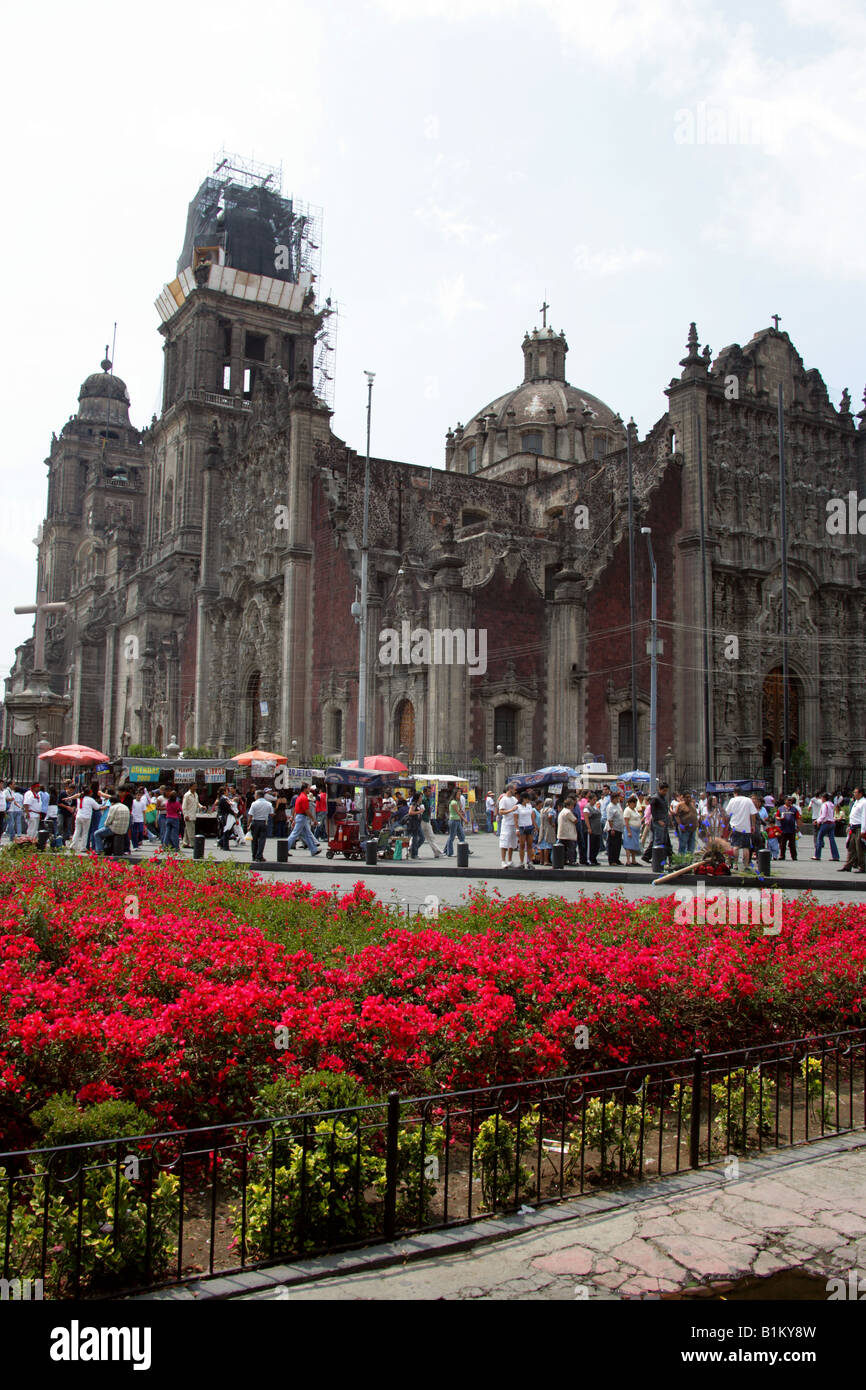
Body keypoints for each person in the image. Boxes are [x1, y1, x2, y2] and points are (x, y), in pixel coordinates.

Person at [285, 782, 322, 855]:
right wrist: (313, 819)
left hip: (300, 817)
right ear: (305, 789)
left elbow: (295, 809)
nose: (310, 790)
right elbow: (307, 810)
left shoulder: (299, 797)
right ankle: (284, 849)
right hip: (302, 817)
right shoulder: (304, 798)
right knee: (295, 834)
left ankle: (313, 850)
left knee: (307, 834)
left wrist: (294, 818)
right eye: (308, 788)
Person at [642, 781, 672, 865]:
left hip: (664, 822)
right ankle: (657, 861)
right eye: (664, 791)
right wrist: (658, 820)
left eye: (666, 791)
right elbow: (653, 811)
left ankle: (649, 856)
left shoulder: (663, 798)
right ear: (660, 789)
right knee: (658, 842)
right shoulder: (655, 798)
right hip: (658, 823)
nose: (665, 792)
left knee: (664, 841)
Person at [840, 788, 866, 873]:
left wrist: (863, 830)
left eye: (855, 792)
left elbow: (864, 817)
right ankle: (848, 865)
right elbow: (853, 815)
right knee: (851, 847)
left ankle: (862, 867)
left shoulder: (864, 802)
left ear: (861, 793)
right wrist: (849, 825)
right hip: (853, 827)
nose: (854, 793)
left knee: (860, 848)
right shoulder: (856, 802)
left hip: (859, 828)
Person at [417, 787, 444, 859]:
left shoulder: (429, 800)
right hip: (422, 820)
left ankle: (437, 852)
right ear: (424, 792)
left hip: (427, 820)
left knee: (431, 837)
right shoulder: (423, 800)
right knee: (418, 837)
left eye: (430, 791)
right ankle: (412, 850)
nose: (430, 793)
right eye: (428, 791)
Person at [247, 788, 272, 863]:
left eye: (255, 795)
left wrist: (248, 825)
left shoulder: (254, 803)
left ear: (257, 795)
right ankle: (259, 855)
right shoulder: (268, 804)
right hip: (264, 822)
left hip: (255, 822)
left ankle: (254, 856)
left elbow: (250, 815)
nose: (254, 796)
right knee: (262, 840)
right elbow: (271, 813)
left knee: (254, 840)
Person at [813, 792, 840, 862]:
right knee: (832, 840)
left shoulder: (824, 805)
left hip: (826, 823)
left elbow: (823, 815)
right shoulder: (831, 804)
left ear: (824, 798)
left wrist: (817, 821)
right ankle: (835, 856)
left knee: (819, 838)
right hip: (832, 823)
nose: (821, 799)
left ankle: (817, 855)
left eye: (822, 797)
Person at [498, 784, 519, 868]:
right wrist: (511, 810)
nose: (515, 791)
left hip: (514, 823)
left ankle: (510, 860)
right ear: (510, 789)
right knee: (504, 842)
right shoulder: (503, 799)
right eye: (514, 789)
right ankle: (503, 861)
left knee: (512, 843)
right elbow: (501, 812)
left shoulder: (514, 799)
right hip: (506, 824)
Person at [444, 788, 469, 857]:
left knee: (462, 835)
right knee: (452, 837)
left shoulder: (457, 802)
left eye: (460, 793)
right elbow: (457, 812)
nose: (460, 795)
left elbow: (460, 810)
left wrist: (462, 810)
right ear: (455, 794)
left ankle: (463, 850)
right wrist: (464, 819)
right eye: (458, 793)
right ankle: (449, 852)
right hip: (453, 820)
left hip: (457, 820)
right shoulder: (453, 802)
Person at [516, 792, 537, 869]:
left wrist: (534, 825)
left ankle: (530, 862)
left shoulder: (529, 806)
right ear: (524, 799)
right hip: (522, 827)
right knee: (521, 845)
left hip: (529, 826)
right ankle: (521, 862)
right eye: (528, 799)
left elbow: (532, 816)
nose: (529, 800)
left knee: (529, 845)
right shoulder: (518, 807)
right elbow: (516, 818)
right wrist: (517, 828)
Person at [776, 796, 800, 862]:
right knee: (782, 843)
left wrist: (798, 827)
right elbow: (777, 816)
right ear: (785, 801)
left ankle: (794, 856)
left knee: (792, 844)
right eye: (788, 800)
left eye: (790, 800)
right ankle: (782, 856)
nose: (789, 801)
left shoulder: (794, 809)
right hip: (783, 829)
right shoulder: (780, 808)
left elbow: (797, 818)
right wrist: (779, 818)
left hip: (791, 829)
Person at [556, 796, 578, 865]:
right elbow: (575, 820)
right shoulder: (568, 812)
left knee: (563, 849)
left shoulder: (562, 811)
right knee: (571, 848)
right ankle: (571, 861)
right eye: (572, 805)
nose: (573, 807)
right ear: (569, 805)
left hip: (561, 834)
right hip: (568, 834)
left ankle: (564, 861)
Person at [605, 790, 624, 866]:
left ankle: (616, 859)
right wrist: (612, 828)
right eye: (616, 799)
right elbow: (610, 819)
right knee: (612, 845)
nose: (617, 800)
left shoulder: (618, 805)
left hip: (619, 828)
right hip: (613, 828)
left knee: (618, 845)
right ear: (612, 799)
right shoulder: (610, 806)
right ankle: (612, 860)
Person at [582, 792, 603, 866]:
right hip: (592, 829)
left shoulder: (595, 807)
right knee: (591, 845)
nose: (595, 801)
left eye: (595, 800)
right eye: (593, 800)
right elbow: (586, 818)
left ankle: (594, 858)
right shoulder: (587, 808)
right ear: (589, 800)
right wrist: (589, 828)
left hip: (597, 829)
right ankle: (589, 859)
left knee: (597, 846)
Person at [623, 793, 642, 866]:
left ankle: (634, 860)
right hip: (630, 829)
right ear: (630, 803)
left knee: (634, 845)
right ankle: (628, 861)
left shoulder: (635, 810)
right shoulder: (627, 810)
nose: (635, 804)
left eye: (635, 803)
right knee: (628, 845)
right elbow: (626, 822)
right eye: (633, 803)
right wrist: (629, 831)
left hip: (636, 830)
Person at [537, 798, 556, 866]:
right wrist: (551, 823)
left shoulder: (541, 810)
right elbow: (550, 816)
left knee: (542, 845)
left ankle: (541, 861)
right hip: (548, 827)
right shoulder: (551, 810)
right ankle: (546, 861)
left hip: (542, 827)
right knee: (547, 845)